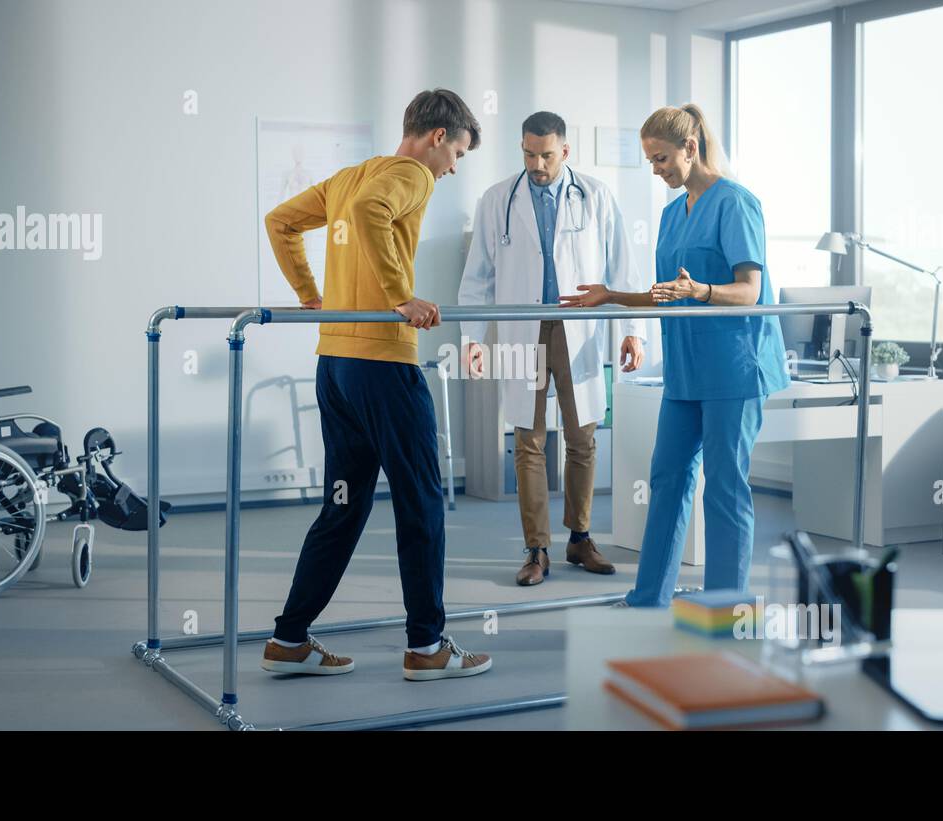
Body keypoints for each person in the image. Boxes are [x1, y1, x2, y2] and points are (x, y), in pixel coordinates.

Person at [260, 89, 492, 680]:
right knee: (421, 500)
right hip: (385, 367)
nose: (454, 166)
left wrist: (311, 297)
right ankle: (426, 646)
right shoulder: (413, 173)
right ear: (439, 136)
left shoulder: (350, 176)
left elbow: (280, 221)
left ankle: (289, 639)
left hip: (335, 366)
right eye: (458, 152)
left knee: (343, 504)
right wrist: (400, 297)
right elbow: (370, 216)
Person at [560, 104, 790, 607]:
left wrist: (703, 290)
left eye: (662, 158)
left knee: (725, 489)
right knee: (667, 477)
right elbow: (670, 293)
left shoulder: (737, 203)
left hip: (734, 365)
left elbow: (749, 291)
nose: (657, 169)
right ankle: (649, 599)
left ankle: (727, 610)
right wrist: (613, 295)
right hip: (686, 368)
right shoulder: (670, 213)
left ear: (691, 148)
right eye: (650, 161)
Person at [458, 111, 648, 586]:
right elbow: (477, 276)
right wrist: (472, 339)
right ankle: (536, 548)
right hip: (523, 326)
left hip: (578, 326)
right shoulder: (497, 198)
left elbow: (622, 265)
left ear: (565, 151)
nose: (536, 163)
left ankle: (579, 538)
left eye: (546, 154)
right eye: (528, 153)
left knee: (583, 435)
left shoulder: (597, 196)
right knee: (529, 440)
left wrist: (632, 328)